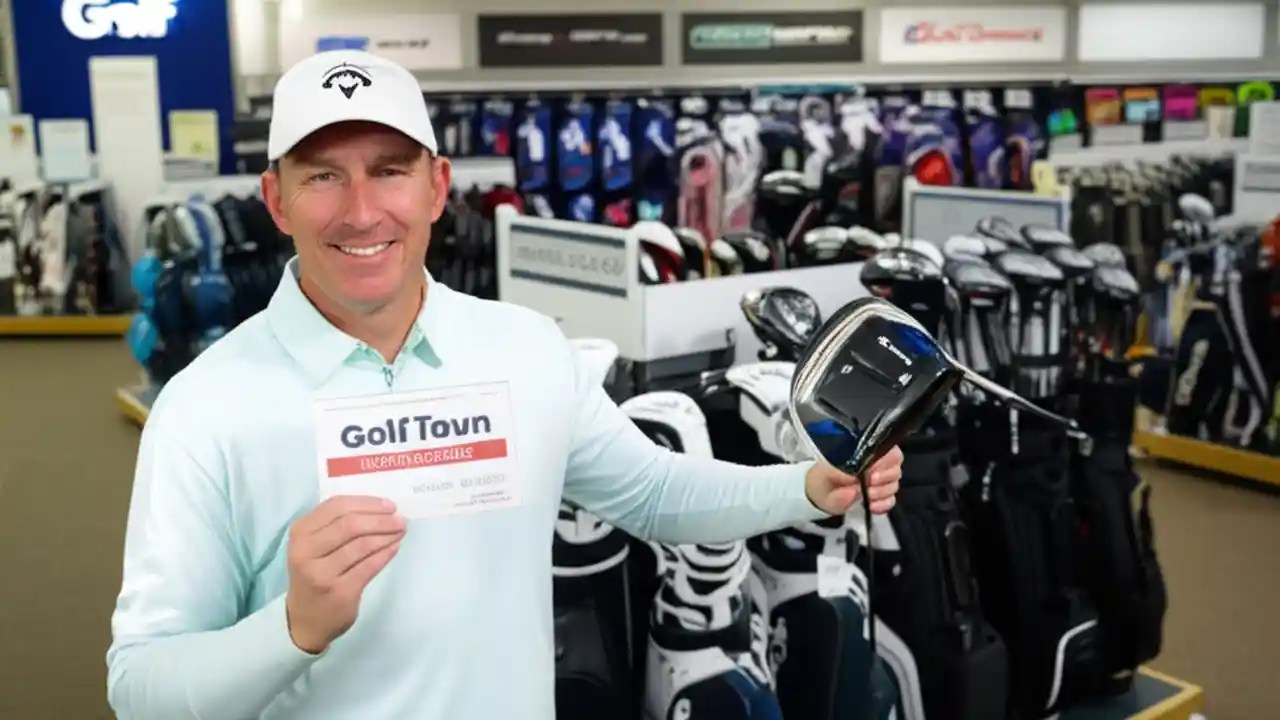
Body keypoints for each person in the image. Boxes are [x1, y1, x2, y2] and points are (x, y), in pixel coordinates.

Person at [105, 50, 903, 720]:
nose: (361, 210)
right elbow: (141, 687)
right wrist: (293, 626)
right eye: (323, 177)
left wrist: (808, 487)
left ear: (437, 186)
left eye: (389, 171)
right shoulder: (205, 408)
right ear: (276, 199)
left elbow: (653, 494)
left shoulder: (521, 348)